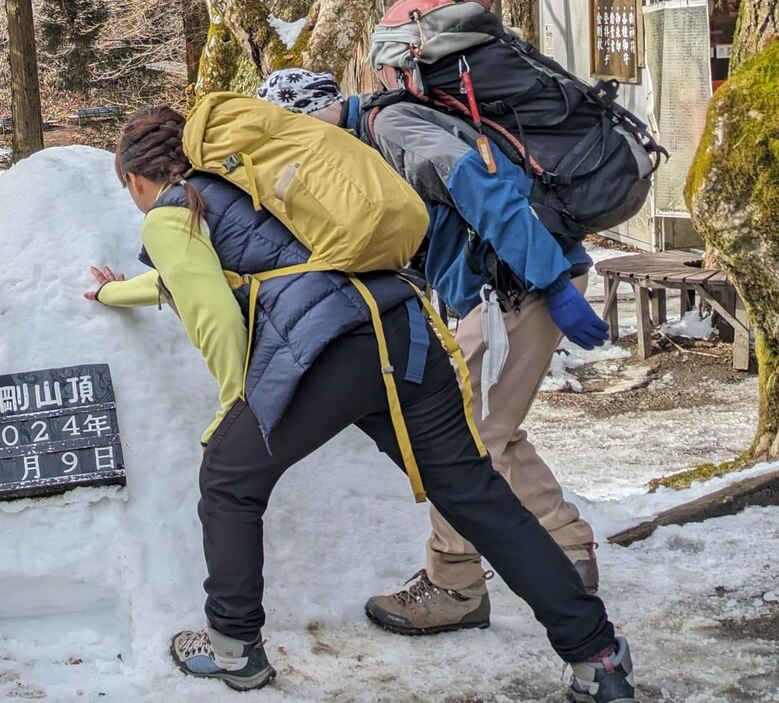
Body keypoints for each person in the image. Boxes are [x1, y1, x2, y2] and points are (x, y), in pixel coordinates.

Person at [85, 107, 634, 701]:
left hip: (329, 349)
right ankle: (596, 654)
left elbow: (213, 315)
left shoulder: (170, 213)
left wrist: (233, 408)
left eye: (129, 190)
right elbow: (204, 277)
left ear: (138, 178)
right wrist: (115, 289)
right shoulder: (245, 184)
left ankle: (233, 648)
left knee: (227, 478)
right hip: (402, 327)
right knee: (475, 496)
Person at [256, 66, 610, 636]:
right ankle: (565, 542)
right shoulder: (371, 136)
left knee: (457, 440)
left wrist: (550, 282)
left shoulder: (391, 126)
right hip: (504, 292)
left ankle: (455, 584)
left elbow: (479, 184)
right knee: (491, 426)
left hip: (519, 291)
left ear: (308, 111)